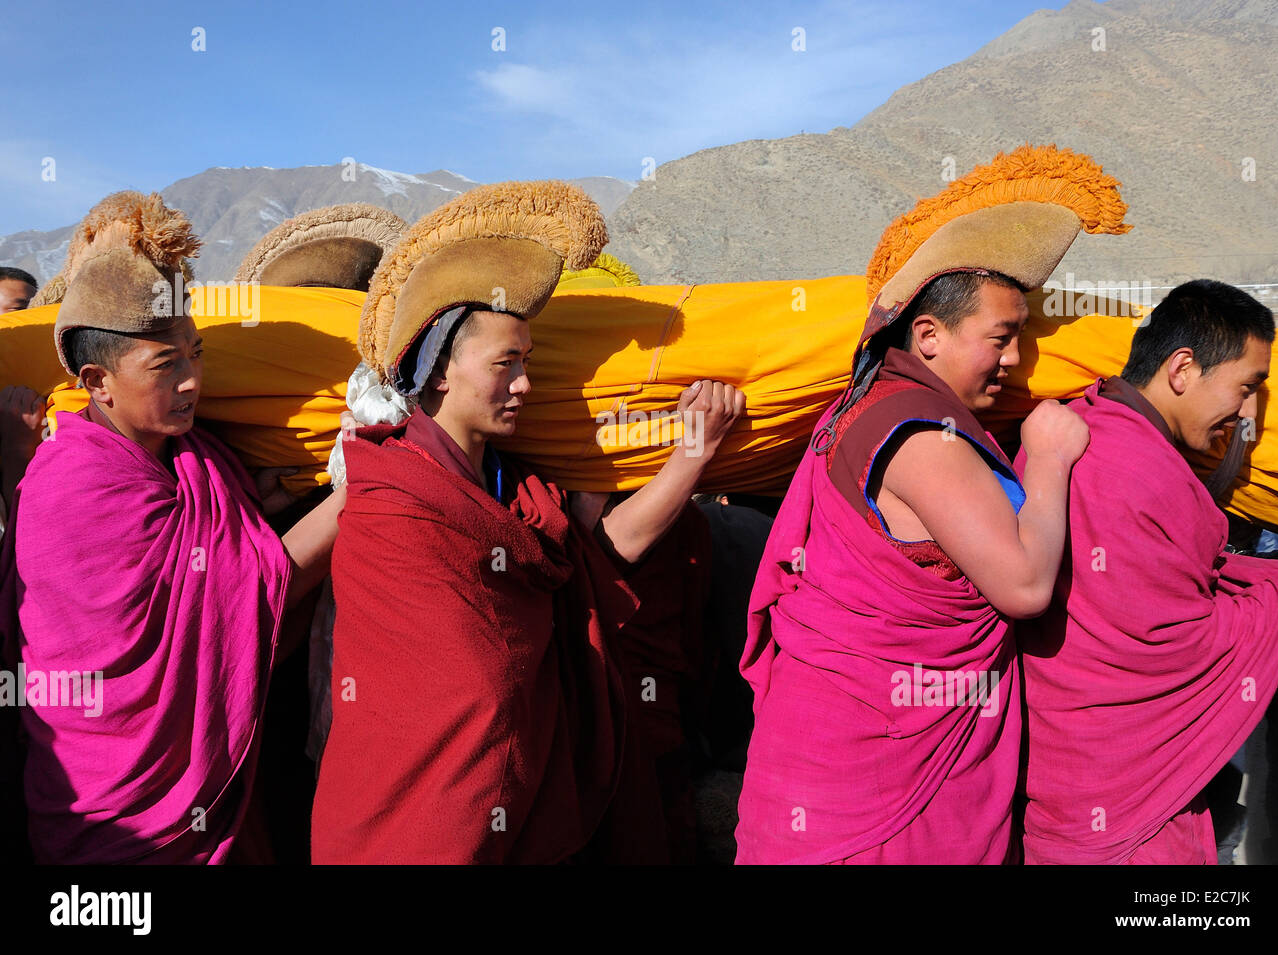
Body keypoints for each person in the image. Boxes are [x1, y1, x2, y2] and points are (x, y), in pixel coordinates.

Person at [312, 180, 744, 863]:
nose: (524, 386)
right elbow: (465, 684)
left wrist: (692, 451)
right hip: (417, 816)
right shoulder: (389, 495)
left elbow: (600, 558)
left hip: (526, 796)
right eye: (505, 365)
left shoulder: (523, 486)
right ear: (441, 372)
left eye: (529, 365)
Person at [735, 145, 1131, 864]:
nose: (1013, 361)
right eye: (1001, 339)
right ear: (928, 336)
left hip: (834, 760)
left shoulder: (866, 405)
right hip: (877, 776)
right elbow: (1024, 584)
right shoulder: (919, 431)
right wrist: (1048, 457)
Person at [0, 191, 345, 864]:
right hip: (113, 811)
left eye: (197, 353)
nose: (192, 381)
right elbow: (249, 587)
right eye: (166, 365)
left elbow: (222, 557)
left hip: (211, 797)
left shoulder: (198, 458)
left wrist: (264, 505)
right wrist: (353, 497)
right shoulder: (66, 487)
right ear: (97, 381)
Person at [1018, 279, 1278, 864]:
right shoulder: (1137, 471)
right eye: (1245, 387)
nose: (1245, 413)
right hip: (1126, 794)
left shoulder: (1083, 422)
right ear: (1182, 369)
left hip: (1061, 773)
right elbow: (1166, 643)